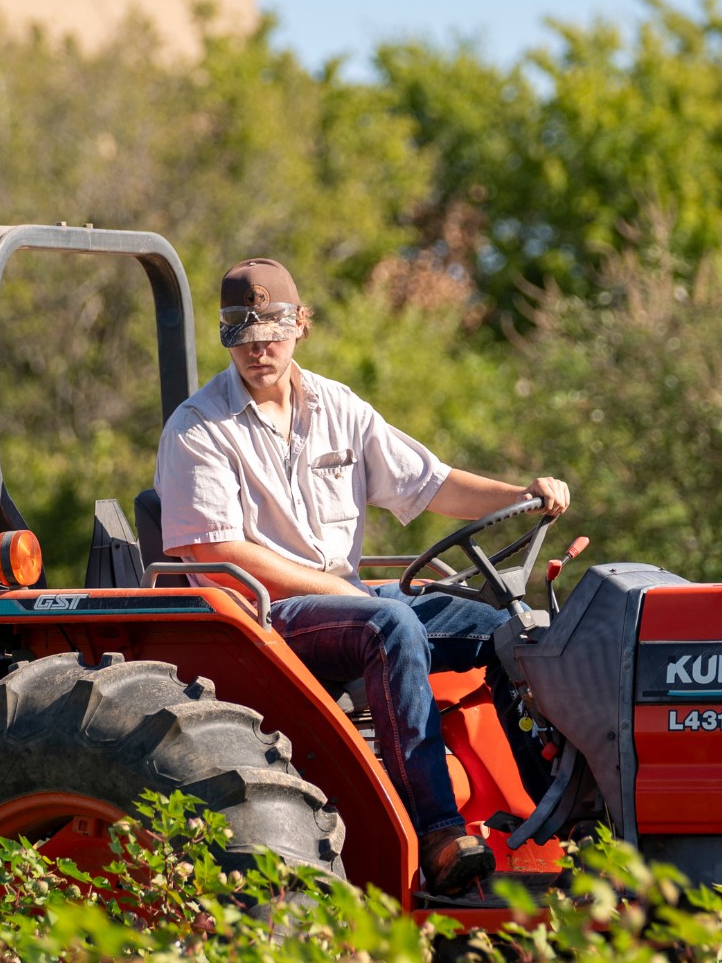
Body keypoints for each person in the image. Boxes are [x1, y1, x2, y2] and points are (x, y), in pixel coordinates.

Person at [154, 256, 571, 896]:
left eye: (270, 332)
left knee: (508, 628)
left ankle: (557, 811)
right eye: (242, 335)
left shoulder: (336, 406)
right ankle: (436, 830)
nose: (258, 349)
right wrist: (344, 592)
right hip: (263, 617)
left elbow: (433, 483)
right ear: (227, 337)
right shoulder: (198, 428)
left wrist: (522, 493)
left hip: (342, 598)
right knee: (391, 623)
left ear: (299, 327)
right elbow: (224, 558)